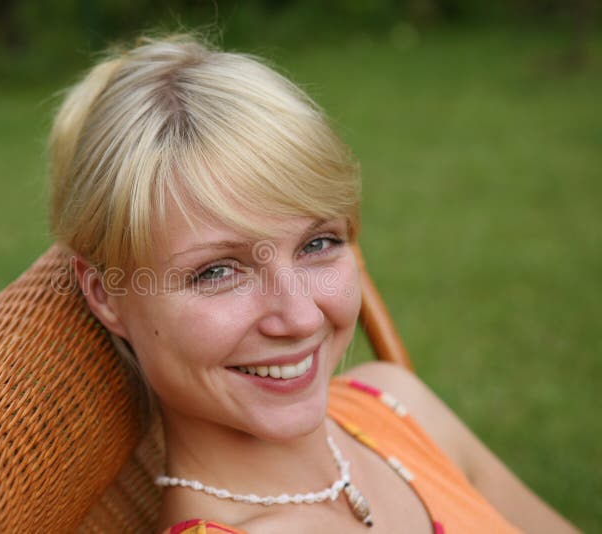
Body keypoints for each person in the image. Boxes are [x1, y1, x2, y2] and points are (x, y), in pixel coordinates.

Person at [48, 34, 577, 533]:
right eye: (217, 271)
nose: (301, 317)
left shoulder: (393, 402)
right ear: (105, 295)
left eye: (317, 243)